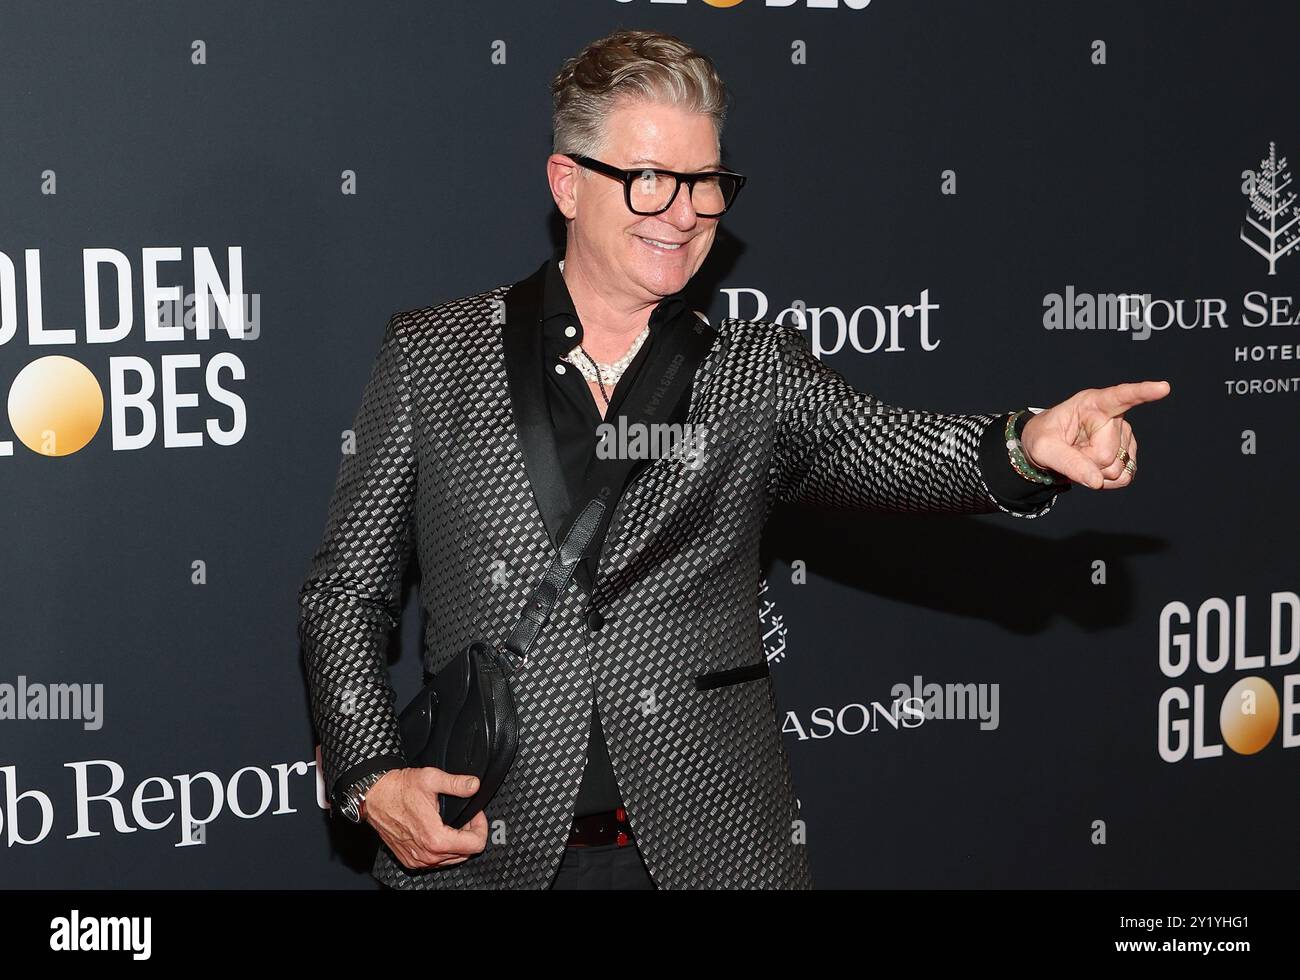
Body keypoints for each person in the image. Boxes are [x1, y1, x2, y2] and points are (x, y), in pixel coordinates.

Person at [297, 28, 1169, 891]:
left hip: (713, 849)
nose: (683, 212)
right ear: (568, 184)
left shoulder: (751, 369)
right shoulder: (436, 354)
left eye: (705, 182)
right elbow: (346, 593)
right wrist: (372, 777)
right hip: (490, 854)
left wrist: (1028, 444)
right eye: (649, 181)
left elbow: (888, 447)